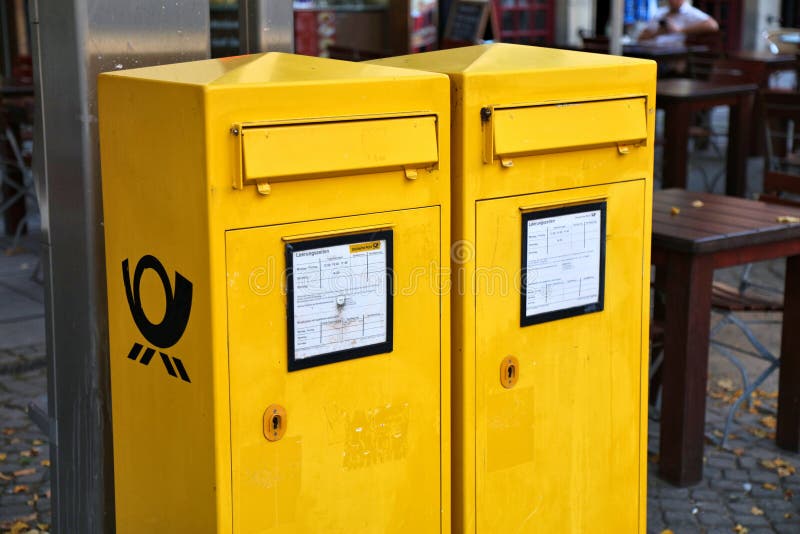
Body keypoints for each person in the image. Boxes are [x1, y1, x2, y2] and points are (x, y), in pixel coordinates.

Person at [638, 0, 719, 44]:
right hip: (652, 51)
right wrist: (658, 33)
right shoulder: (660, 13)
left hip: (674, 55)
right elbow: (640, 38)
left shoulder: (691, 12)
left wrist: (680, 30)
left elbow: (713, 25)